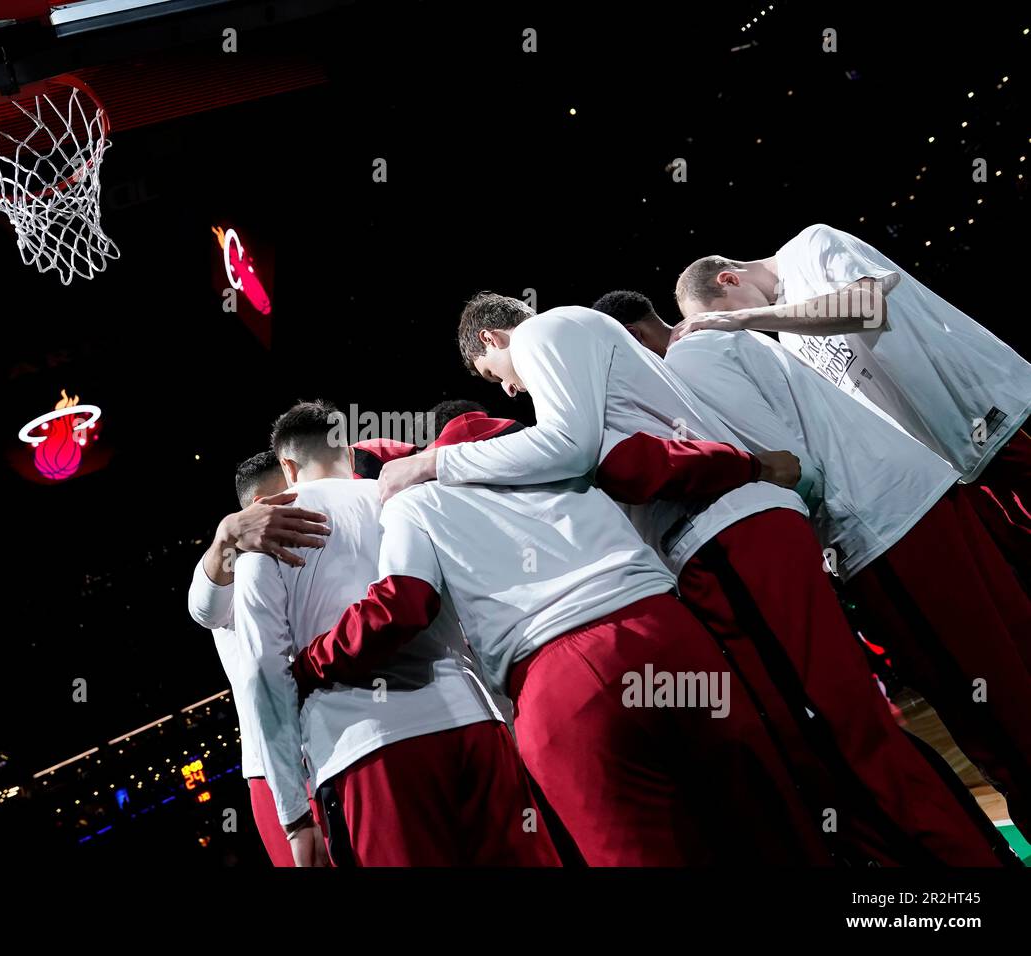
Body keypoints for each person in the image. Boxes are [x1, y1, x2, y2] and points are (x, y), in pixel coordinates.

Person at [378, 294, 997, 864]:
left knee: (835, 741)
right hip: (730, 536)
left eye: (496, 376)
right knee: (821, 744)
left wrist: (435, 462)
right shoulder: (592, 354)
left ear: (492, 338)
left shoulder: (546, 331)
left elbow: (568, 446)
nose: (509, 392)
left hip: (725, 533)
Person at [293, 407, 848, 865]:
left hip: (558, 682)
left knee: (635, 852)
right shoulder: (557, 449)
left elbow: (403, 605)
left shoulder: (415, 498)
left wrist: (312, 661)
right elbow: (654, 462)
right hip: (666, 634)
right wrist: (754, 464)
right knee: (773, 827)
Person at [596, 287, 1026, 856]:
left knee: (984, 703)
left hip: (882, 523)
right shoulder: (719, 340)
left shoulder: (689, 359)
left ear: (630, 340)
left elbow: (795, 467)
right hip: (914, 498)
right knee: (1010, 669)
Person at [234, 401, 559, 866]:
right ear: (348, 451)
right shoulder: (410, 497)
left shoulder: (262, 545)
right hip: (473, 724)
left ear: (287, 467)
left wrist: (294, 815)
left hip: (368, 749)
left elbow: (264, 679)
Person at [672, 224, 1031, 588]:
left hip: (993, 413)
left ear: (729, 279)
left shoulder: (811, 246)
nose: (732, 330)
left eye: (720, 315)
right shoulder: (786, 333)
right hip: (954, 463)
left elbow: (867, 307)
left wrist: (737, 318)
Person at [187, 451, 333, 866]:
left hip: (342, 746)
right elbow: (203, 609)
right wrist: (226, 536)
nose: (300, 508)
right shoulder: (228, 569)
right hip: (278, 774)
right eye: (285, 502)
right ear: (255, 510)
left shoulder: (318, 548)